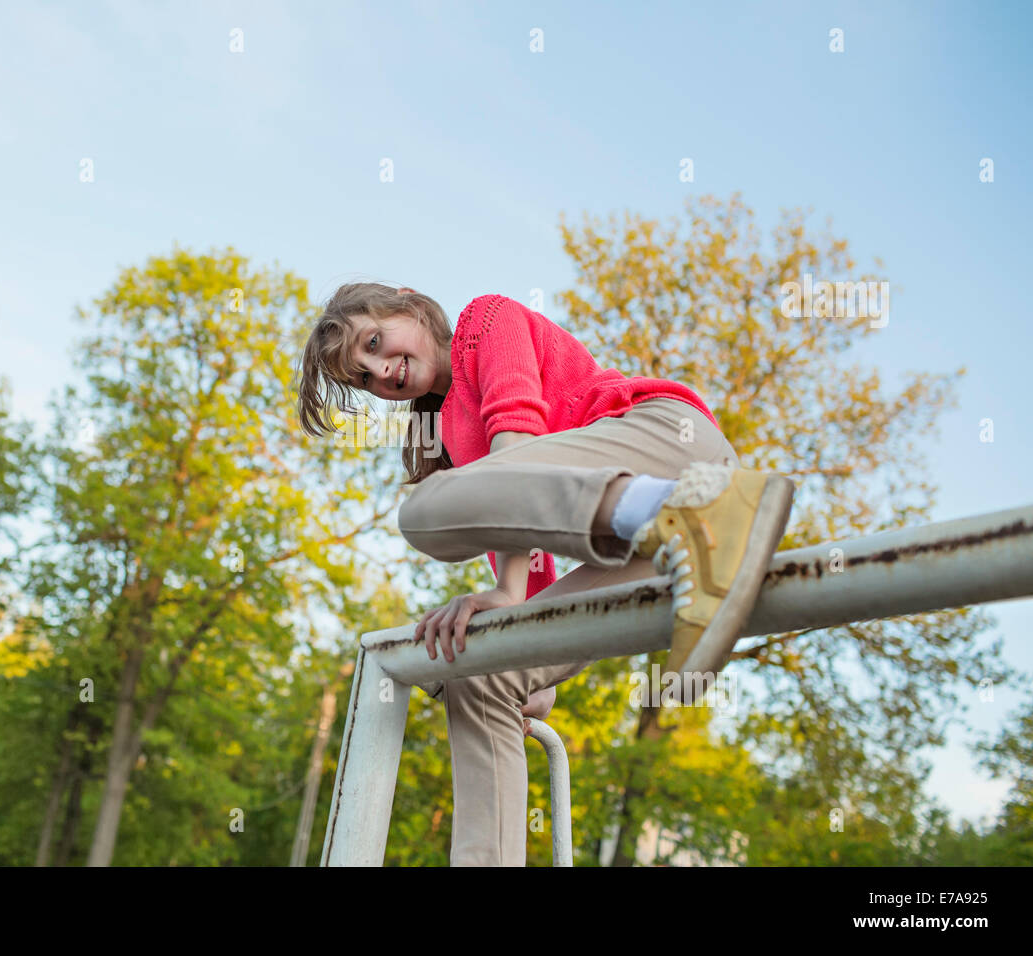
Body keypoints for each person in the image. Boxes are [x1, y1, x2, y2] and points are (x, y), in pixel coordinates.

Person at [296, 283, 794, 866]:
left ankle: (684, 509)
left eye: (376, 342)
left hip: (669, 448)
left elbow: (518, 446)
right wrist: (531, 657)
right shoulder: (449, 436)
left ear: (408, 306)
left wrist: (504, 592)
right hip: (640, 544)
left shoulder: (484, 322)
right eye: (365, 378)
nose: (383, 371)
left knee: (425, 512)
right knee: (480, 676)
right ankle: (692, 530)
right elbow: (528, 545)